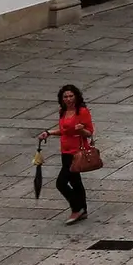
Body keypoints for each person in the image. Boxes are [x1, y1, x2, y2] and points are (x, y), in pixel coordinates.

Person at [43, 84, 93, 224]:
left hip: (76, 152)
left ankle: (76, 208)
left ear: (76, 97)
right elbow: (64, 131)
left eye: (71, 96)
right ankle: (82, 209)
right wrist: (49, 133)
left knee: (61, 183)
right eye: (65, 96)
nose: (69, 99)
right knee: (75, 181)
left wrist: (81, 130)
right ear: (61, 98)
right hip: (65, 151)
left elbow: (89, 133)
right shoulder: (62, 111)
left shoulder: (82, 111)